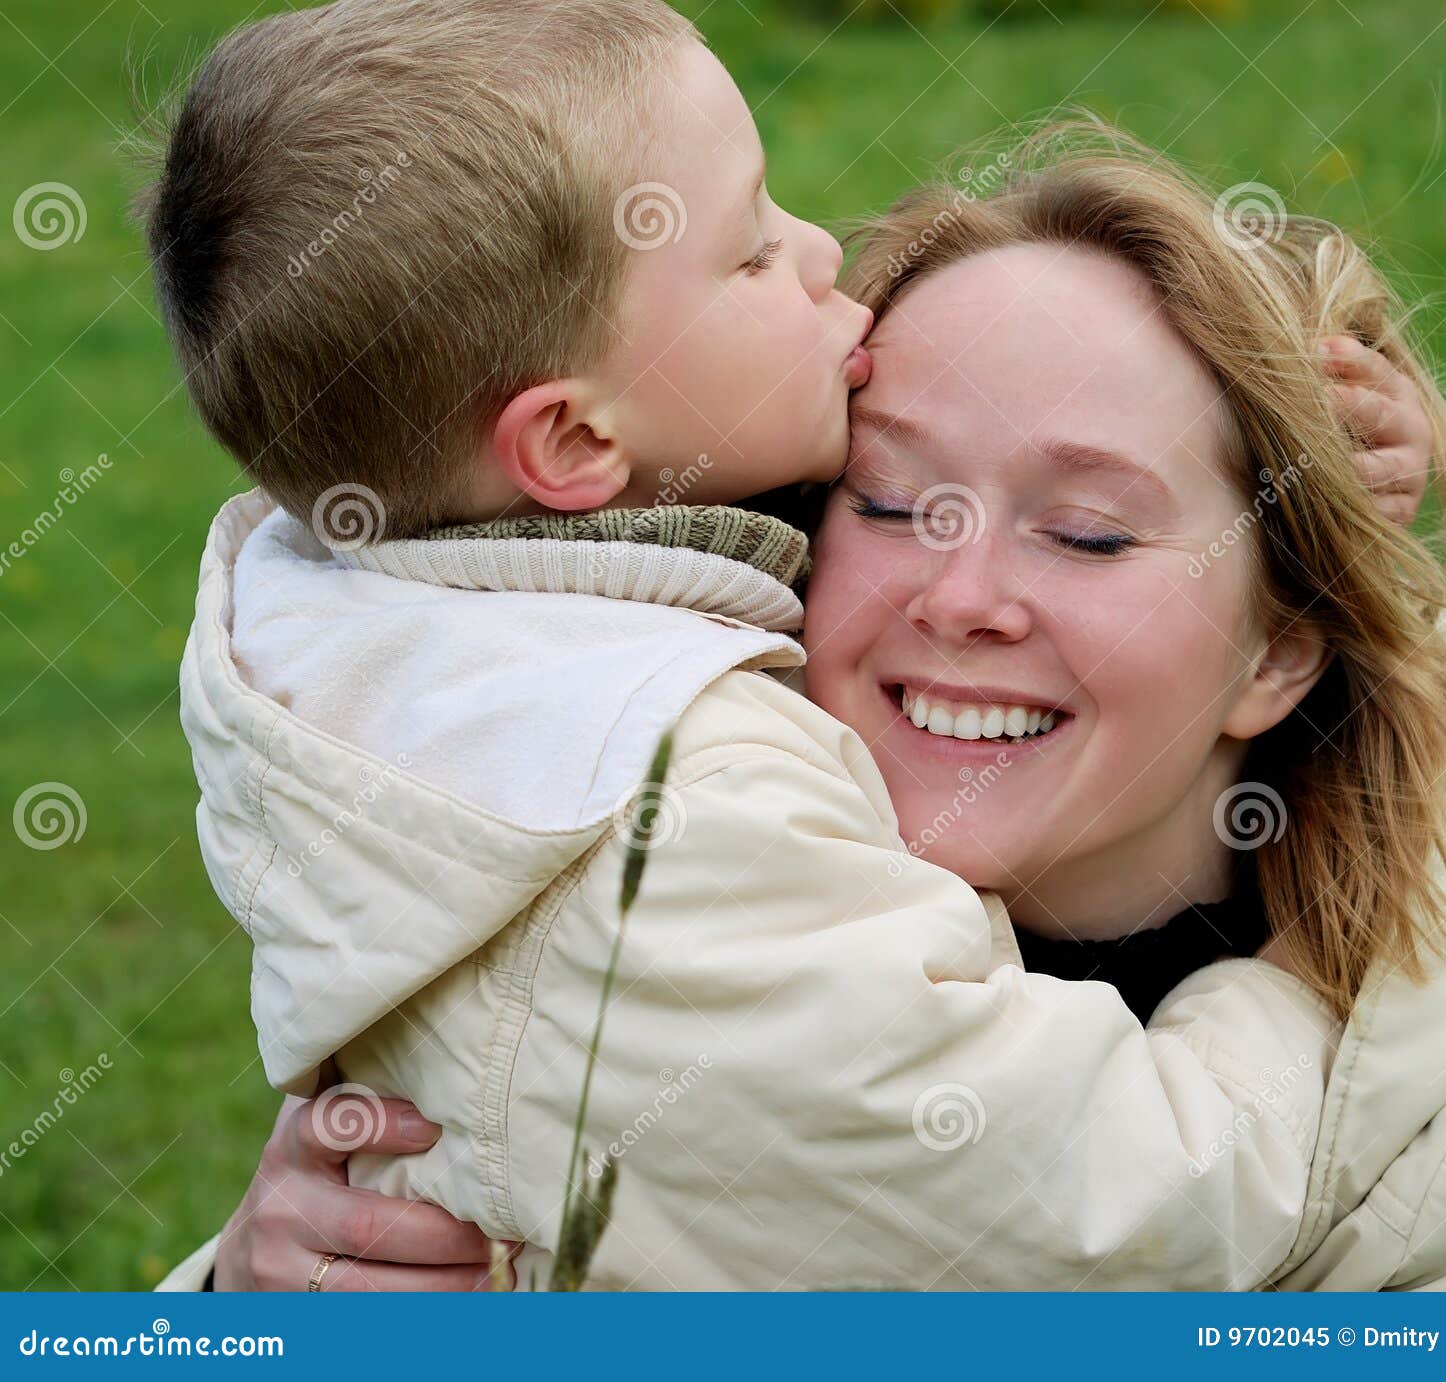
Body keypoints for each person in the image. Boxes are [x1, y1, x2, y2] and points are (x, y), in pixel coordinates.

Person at [143, 1, 1355, 1291]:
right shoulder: (687, 811)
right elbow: (1125, 1209)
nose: (823, 251)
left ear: (1287, 635)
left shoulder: (409, 642)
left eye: (1090, 535)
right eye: (750, 254)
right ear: (568, 448)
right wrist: (1308, 989)